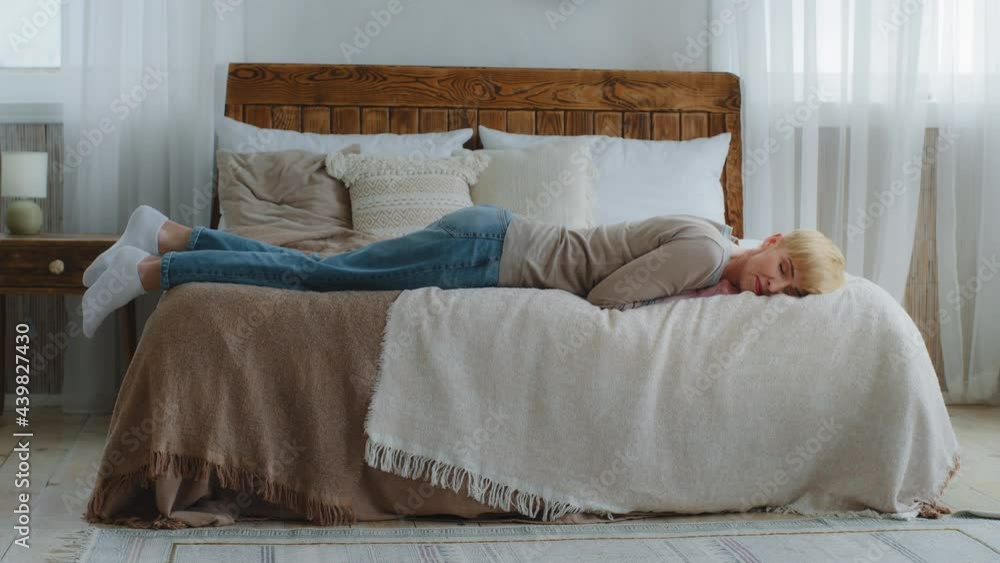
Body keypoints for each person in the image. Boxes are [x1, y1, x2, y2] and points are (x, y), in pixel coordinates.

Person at [80, 204, 846, 337]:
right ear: (772, 237)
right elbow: (609, 295)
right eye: (782, 268)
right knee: (321, 281)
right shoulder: (710, 254)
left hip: (492, 239)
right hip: (489, 254)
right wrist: (708, 295)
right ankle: (151, 273)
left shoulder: (714, 233)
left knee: (327, 266)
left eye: (788, 289)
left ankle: (172, 235)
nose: (771, 288)